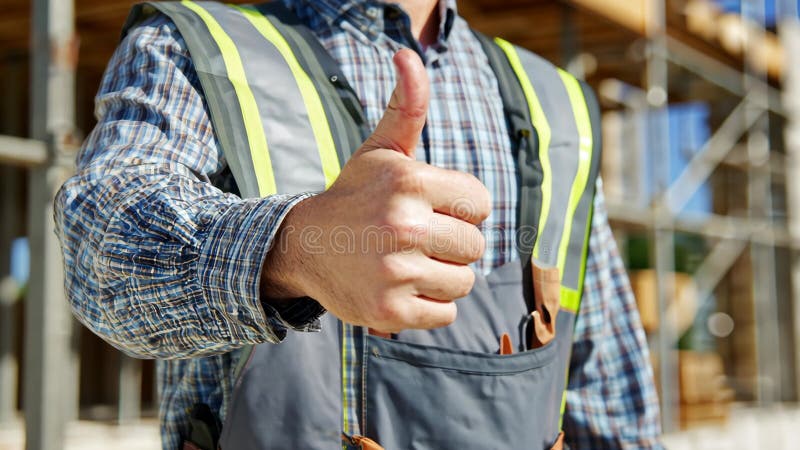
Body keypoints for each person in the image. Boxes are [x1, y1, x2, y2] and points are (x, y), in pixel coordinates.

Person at [55, 0, 662, 449]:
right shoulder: (198, 49)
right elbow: (100, 251)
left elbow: (607, 388)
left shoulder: (555, 101)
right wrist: (297, 248)